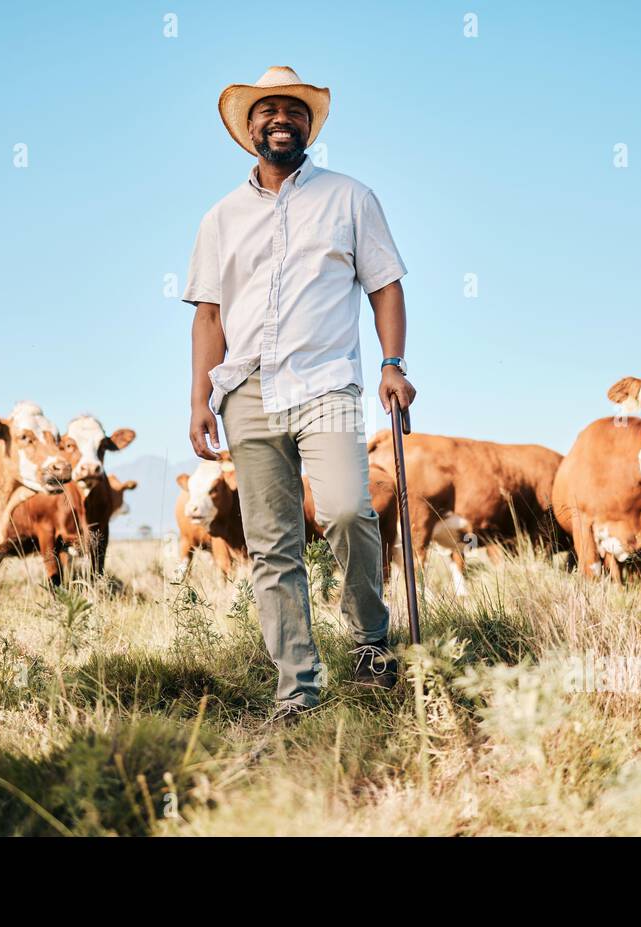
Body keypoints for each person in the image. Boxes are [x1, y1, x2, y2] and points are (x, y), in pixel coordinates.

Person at [183, 66, 416, 727]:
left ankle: (370, 639)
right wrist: (200, 399)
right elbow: (207, 315)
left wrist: (393, 363)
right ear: (248, 127)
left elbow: (386, 286)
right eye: (267, 109)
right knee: (272, 546)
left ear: (309, 125)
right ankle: (297, 690)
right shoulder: (219, 218)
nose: (280, 117)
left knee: (347, 510)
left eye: (293, 108)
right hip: (245, 390)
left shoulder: (350, 198)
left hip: (328, 383)